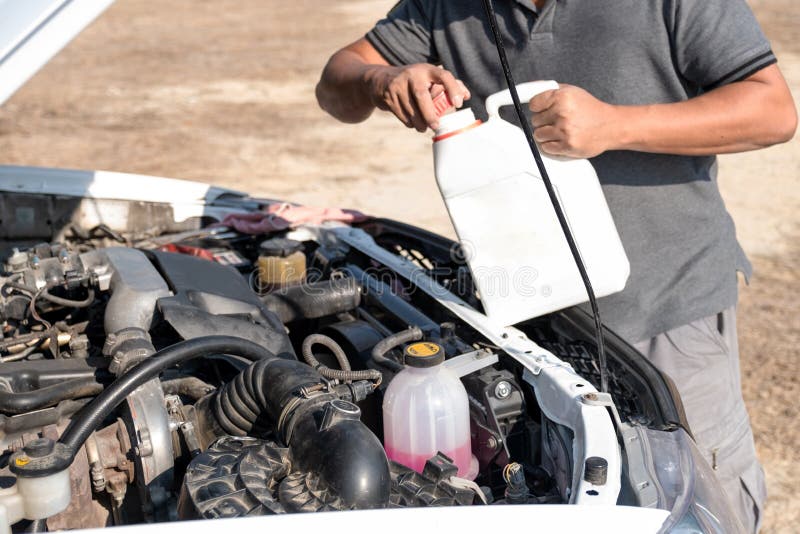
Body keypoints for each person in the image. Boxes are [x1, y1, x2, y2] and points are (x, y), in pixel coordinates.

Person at [315, 0, 797, 531]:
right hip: (526, 328)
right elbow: (336, 81)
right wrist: (382, 80)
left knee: (696, 500)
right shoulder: (442, 5)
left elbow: (772, 111)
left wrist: (615, 125)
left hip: (667, 313)